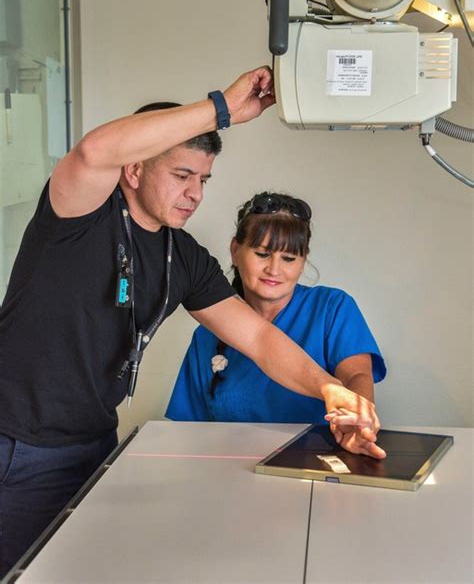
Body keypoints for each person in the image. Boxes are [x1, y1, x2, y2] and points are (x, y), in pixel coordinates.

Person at [0, 66, 381, 576]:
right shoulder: (77, 213)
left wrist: (329, 389)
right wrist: (222, 108)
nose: (195, 193)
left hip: (94, 438)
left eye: (202, 179)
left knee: (84, 569)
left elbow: (259, 339)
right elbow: (94, 152)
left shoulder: (183, 257)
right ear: (133, 170)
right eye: (182, 175)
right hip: (20, 443)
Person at [166, 191, 387, 458]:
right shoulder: (208, 335)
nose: (274, 269)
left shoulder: (332, 307)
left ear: (304, 260)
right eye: (262, 254)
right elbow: (187, 430)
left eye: (289, 259)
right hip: (230, 471)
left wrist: (359, 421)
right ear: (235, 251)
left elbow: (357, 376)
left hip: (319, 467)